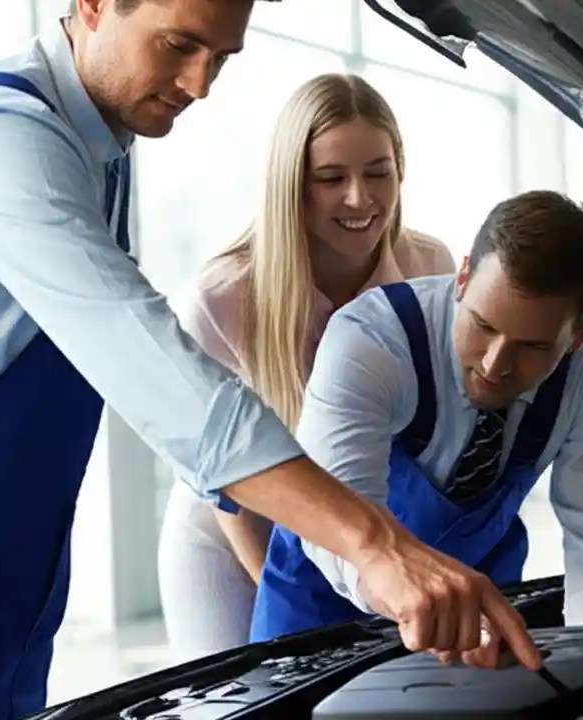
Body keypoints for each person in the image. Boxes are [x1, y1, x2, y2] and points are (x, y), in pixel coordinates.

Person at [0, 2, 538, 719]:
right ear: (94, 5)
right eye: (178, 45)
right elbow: (163, 377)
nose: (199, 85)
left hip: (6, 565)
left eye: (221, 58)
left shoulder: (96, 140)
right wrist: (377, 549)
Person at [251, 190, 583, 656]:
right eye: (482, 324)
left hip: (477, 604)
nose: (496, 364)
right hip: (319, 602)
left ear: (581, 333)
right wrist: (419, 604)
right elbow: (341, 524)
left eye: (533, 347)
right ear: (462, 278)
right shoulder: (369, 340)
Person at [157, 72, 457, 663]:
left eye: (378, 173)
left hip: (368, 530)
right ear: (291, 185)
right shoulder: (223, 298)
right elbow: (227, 488)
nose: (359, 198)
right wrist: (289, 603)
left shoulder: (430, 265)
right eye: (330, 179)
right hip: (236, 537)